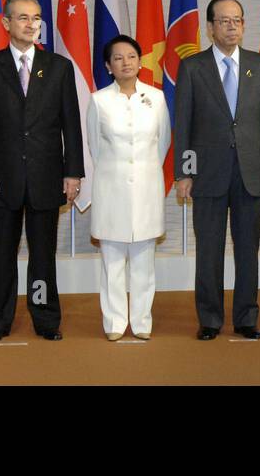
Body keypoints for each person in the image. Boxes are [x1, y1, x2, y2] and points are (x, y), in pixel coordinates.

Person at [0, 0, 84, 342]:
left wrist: (73, 171)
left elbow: (71, 124)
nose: (31, 24)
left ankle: (45, 319)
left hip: (46, 176)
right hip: (1, 178)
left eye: (36, 18)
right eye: (23, 18)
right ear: (6, 23)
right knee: (2, 254)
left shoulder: (59, 67)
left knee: (42, 256)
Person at [173, 0, 260, 340]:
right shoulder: (192, 67)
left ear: (244, 25)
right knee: (209, 249)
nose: (232, 26)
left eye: (238, 20)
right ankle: (210, 319)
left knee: (248, 248)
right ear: (210, 27)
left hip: (250, 171)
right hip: (207, 172)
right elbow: (183, 123)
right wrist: (184, 172)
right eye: (224, 21)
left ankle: (247, 317)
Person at [87, 35, 169, 340]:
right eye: (118, 58)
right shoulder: (99, 100)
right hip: (111, 189)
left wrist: (143, 171)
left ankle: (142, 321)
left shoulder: (157, 98)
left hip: (146, 190)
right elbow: (96, 147)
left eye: (132, 56)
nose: (126, 63)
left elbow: (162, 144)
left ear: (140, 60)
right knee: (112, 262)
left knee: (144, 262)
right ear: (108, 66)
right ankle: (115, 323)